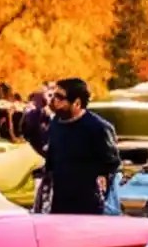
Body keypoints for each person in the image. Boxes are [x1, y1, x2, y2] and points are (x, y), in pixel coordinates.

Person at [41, 78, 122, 215]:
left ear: (77, 103)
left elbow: (111, 164)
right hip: (59, 203)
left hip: (88, 206)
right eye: (53, 95)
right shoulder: (56, 123)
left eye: (60, 97)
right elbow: (52, 159)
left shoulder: (97, 128)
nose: (54, 100)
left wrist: (102, 178)